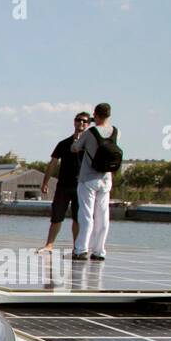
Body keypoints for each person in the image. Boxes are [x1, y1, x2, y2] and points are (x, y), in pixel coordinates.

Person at [72, 102, 120, 261]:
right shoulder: (116, 132)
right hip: (106, 179)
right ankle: (99, 251)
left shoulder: (90, 132)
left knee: (86, 215)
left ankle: (81, 249)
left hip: (88, 178)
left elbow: (75, 148)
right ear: (109, 115)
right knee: (103, 215)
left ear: (96, 115)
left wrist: (79, 137)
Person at [40, 112, 89, 252]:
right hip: (63, 185)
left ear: (88, 124)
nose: (81, 123)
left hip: (81, 186)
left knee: (78, 218)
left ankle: (76, 247)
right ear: (74, 122)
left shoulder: (89, 145)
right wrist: (45, 182)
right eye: (79, 120)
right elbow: (53, 163)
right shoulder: (64, 143)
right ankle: (49, 245)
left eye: (85, 121)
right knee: (56, 216)